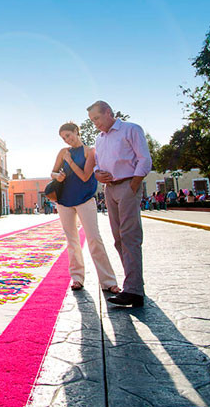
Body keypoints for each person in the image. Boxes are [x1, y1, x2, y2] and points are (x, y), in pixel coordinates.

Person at [88, 100, 152, 307]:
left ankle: (133, 290)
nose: (95, 123)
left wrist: (134, 183)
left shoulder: (131, 129)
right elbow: (98, 164)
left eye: (97, 118)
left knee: (130, 236)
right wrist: (98, 174)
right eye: (92, 120)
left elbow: (144, 158)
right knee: (118, 239)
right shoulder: (99, 139)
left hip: (127, 185)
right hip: (110, 188)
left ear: (108, 113)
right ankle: (134, 285)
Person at [51, 122, 120, 293]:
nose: (67, 140)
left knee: (94, 239)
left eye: (68, 135)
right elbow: (52, 172)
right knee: (72, 241)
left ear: (76, 131)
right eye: (63, 138)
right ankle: (77, 278)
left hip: (85, 199)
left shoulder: (90, 151)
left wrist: (69, 161)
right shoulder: (62, 152)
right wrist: (57, 176)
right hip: (64, 201)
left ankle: (108, 281)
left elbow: (84, 176)